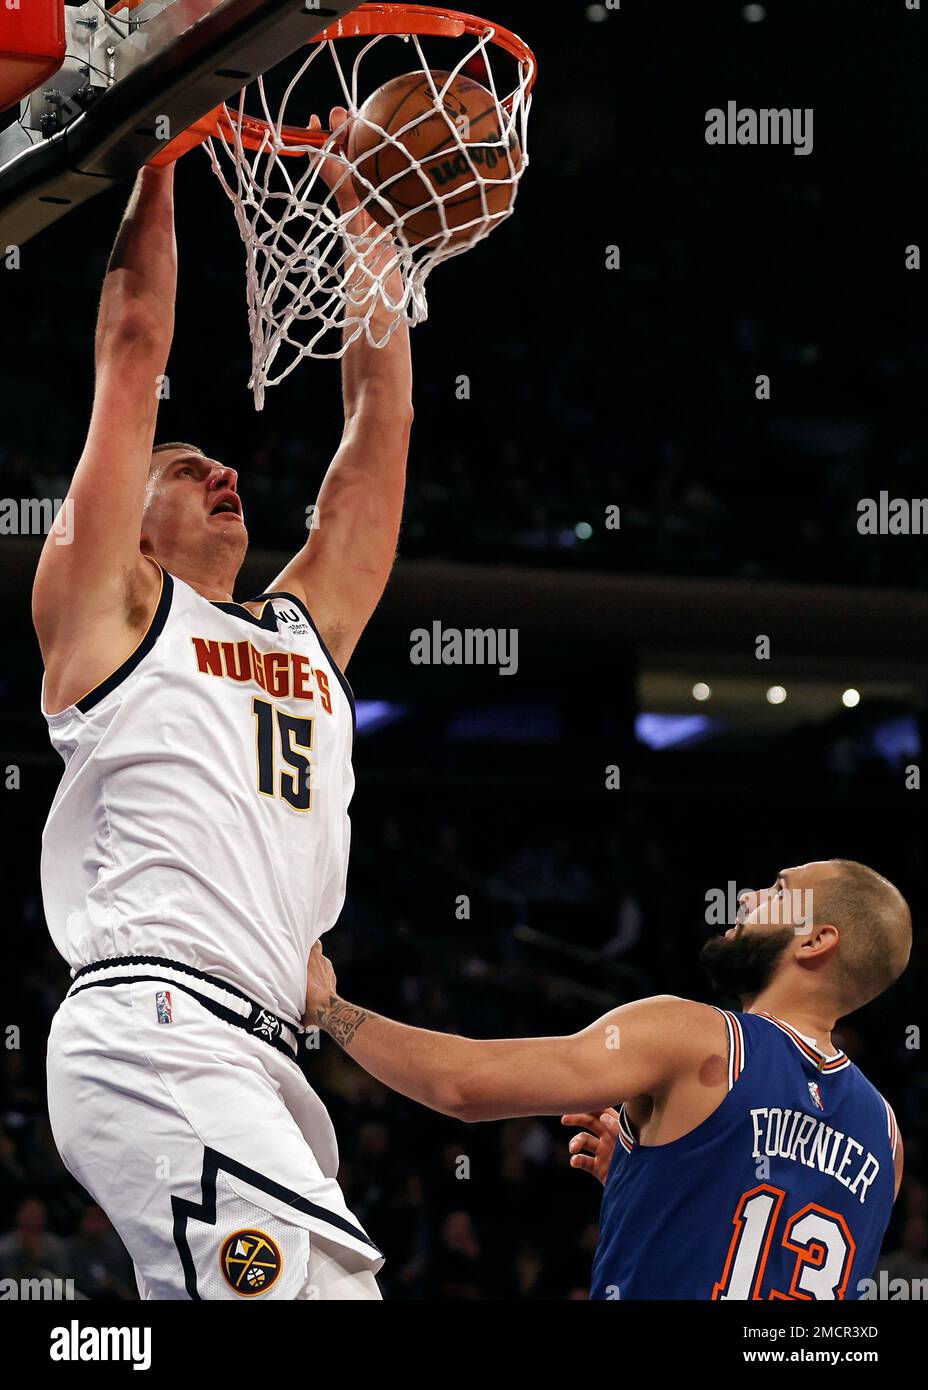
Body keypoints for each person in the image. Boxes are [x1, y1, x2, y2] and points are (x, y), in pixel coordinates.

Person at [33, 109, 413, 1300]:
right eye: (186, 467)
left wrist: (369, 222)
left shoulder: (307, 630)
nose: (223, 472)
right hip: (157, 1020)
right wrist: (156, 154)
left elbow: (378, 426)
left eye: (224, 465)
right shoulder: (107, 613)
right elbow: (135, 347)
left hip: (261, 1052)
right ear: (124, 515)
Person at [303, 859, 909, 1299]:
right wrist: (659, 1181)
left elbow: (465, 1086)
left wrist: (331, 1010)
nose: (748, 897)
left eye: (779, 890)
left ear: (816, 940)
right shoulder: (886, 1135)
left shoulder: (696, 1035)